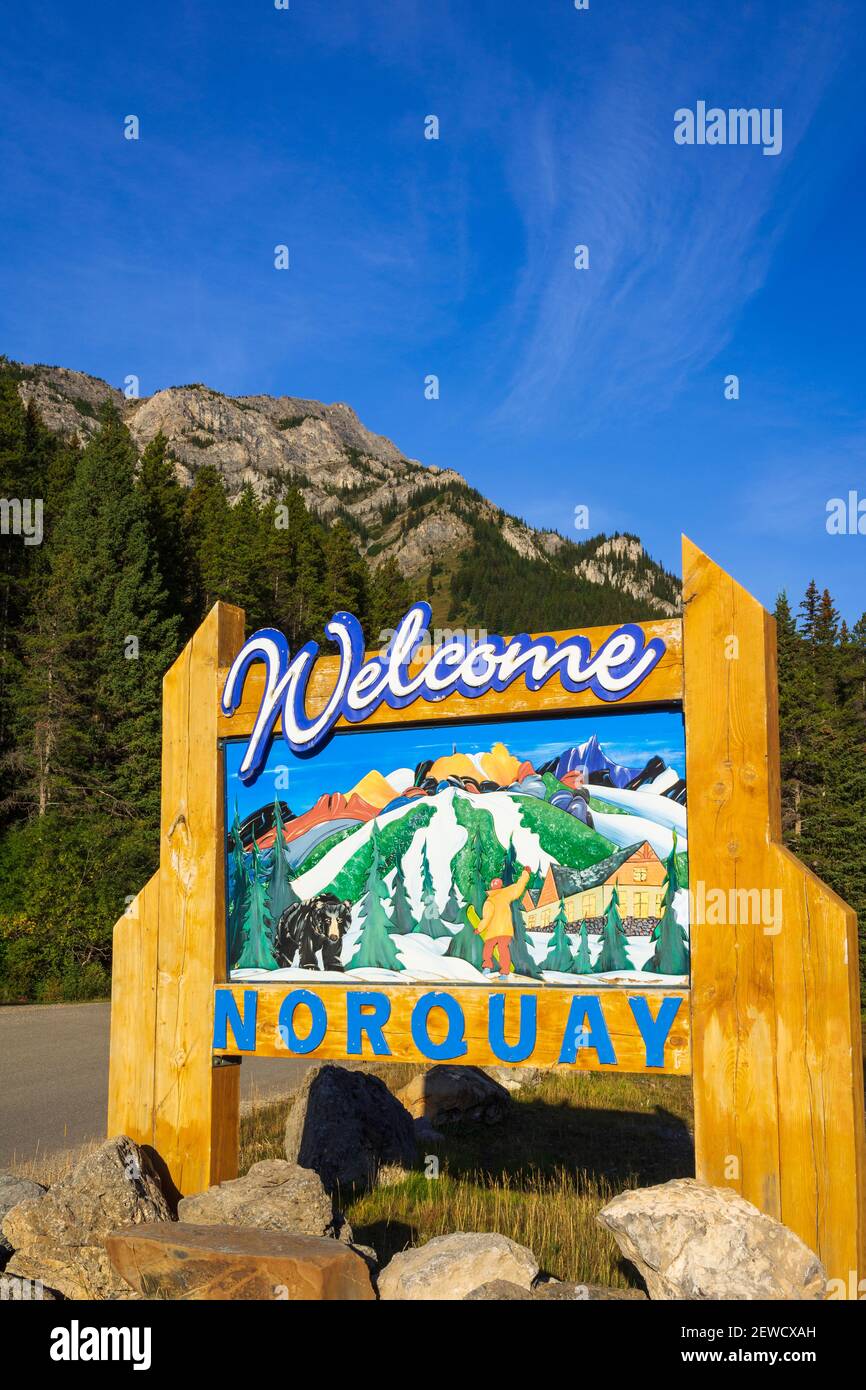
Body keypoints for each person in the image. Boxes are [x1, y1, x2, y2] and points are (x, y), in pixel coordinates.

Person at [476, 866, 531, 980]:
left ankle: (487, 967)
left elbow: (487, 918)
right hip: (505, 930)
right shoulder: (506, 893)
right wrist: (525, 873)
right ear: (500, 886)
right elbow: (519, 886)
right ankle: (504, 972)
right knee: (503, 950)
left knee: (488, 948)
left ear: (491, 888)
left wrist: (479, 929)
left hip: (493, 932)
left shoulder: (489, 901)